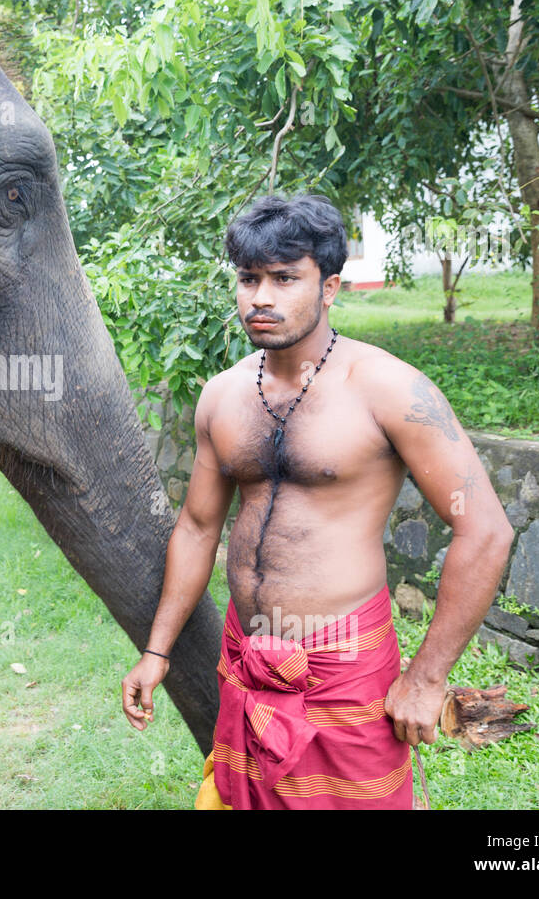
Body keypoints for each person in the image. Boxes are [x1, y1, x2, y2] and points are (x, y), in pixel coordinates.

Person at [120, 193, 515, 809]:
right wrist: (157, 650)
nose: (261, 298)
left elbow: (485, 532)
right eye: (248, 279)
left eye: (284, 278)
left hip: (343, 667)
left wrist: (426, 677)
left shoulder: (389, 389)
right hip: (244, 658)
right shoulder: (223, 396)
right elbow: (198, 527)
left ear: (329, 288)